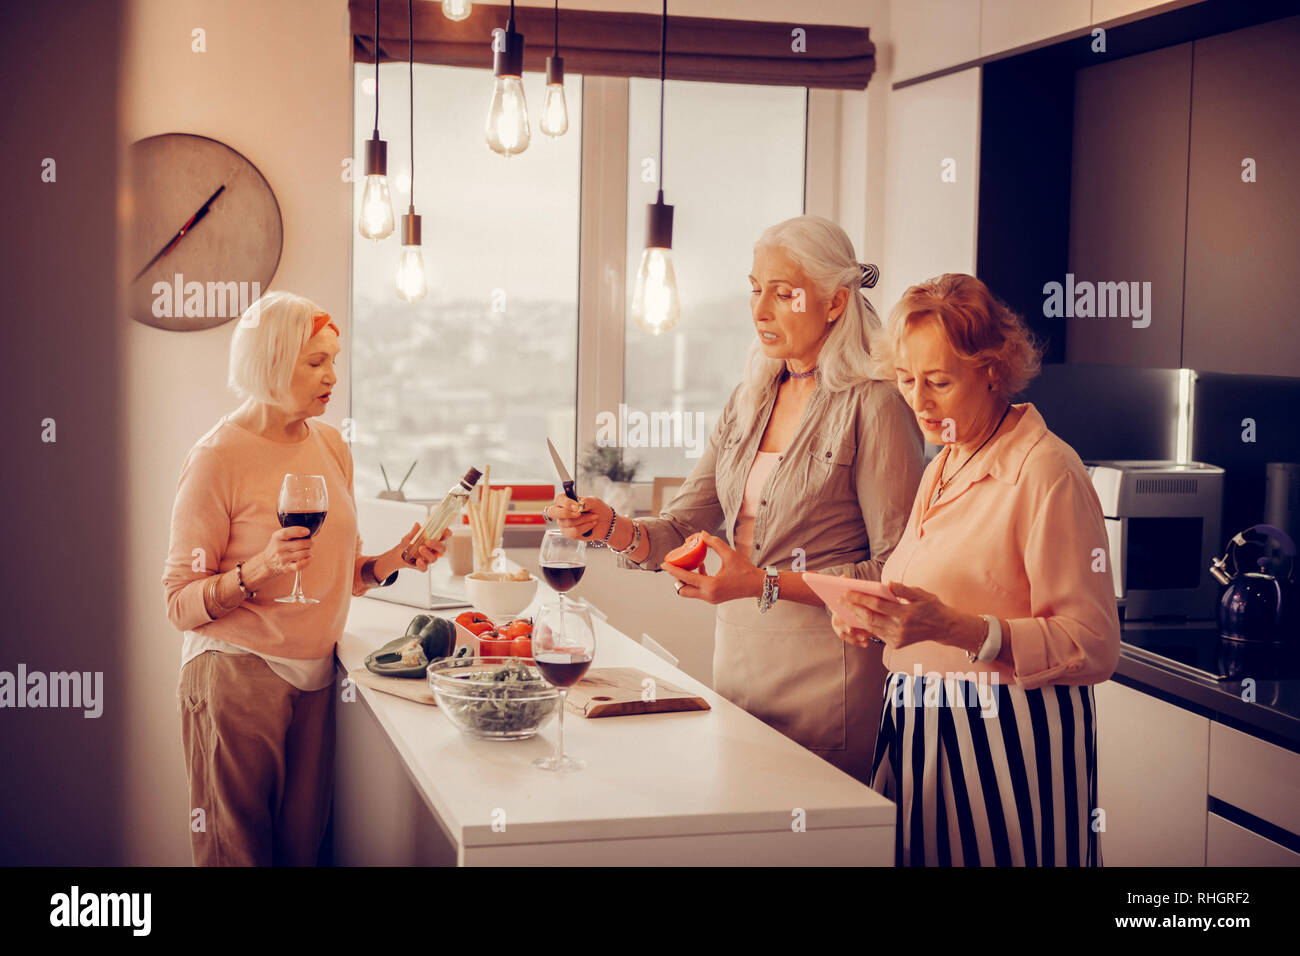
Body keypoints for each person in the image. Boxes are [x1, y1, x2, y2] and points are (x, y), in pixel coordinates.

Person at [547, 216, 925, 783]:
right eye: (755, 289)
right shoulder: (750, 398)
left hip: (830, 672)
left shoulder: (875, 404)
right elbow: (681, 527)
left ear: (835, 302)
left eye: (784, 292)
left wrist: (763, 583)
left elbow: (894, 569)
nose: (761, 309)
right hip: (740, 658)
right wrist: (609, 527)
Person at [830, 273, 1121, 866]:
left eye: (938, 381)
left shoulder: (1047, 472)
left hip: (1009, 745)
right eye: (907, 380)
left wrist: (951, 627)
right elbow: (934, 595)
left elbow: (1094, 646)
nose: (919, 401)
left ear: (992, 369)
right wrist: (879, 617)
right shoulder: (946, 462)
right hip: (923, 736)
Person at [161, 290, 449, 866]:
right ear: (270, 363)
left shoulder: (331, 445)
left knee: (303, 853)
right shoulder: (217, 456)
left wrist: (396, 559)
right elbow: (178, 603)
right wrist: (260, 568)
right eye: (315, 362)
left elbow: (343, 572)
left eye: (334, 360)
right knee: (236, 854)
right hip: (236, 675)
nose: (332, 376)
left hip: (316, 678)